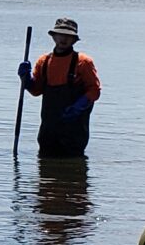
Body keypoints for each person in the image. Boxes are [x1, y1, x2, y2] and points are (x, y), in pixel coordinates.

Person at [20, 16, 101, 159]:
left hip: (74, 130)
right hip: (48, 130)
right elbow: (36, 90)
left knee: (73, 160)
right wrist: (26, 79)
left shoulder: (83, 62)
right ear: (53, 36)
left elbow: (94, 90)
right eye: (60, 34)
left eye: (68, 36)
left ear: (74, 40)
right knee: (45, 167)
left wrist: (78, 106)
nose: (63, 39)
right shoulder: (44, 62)